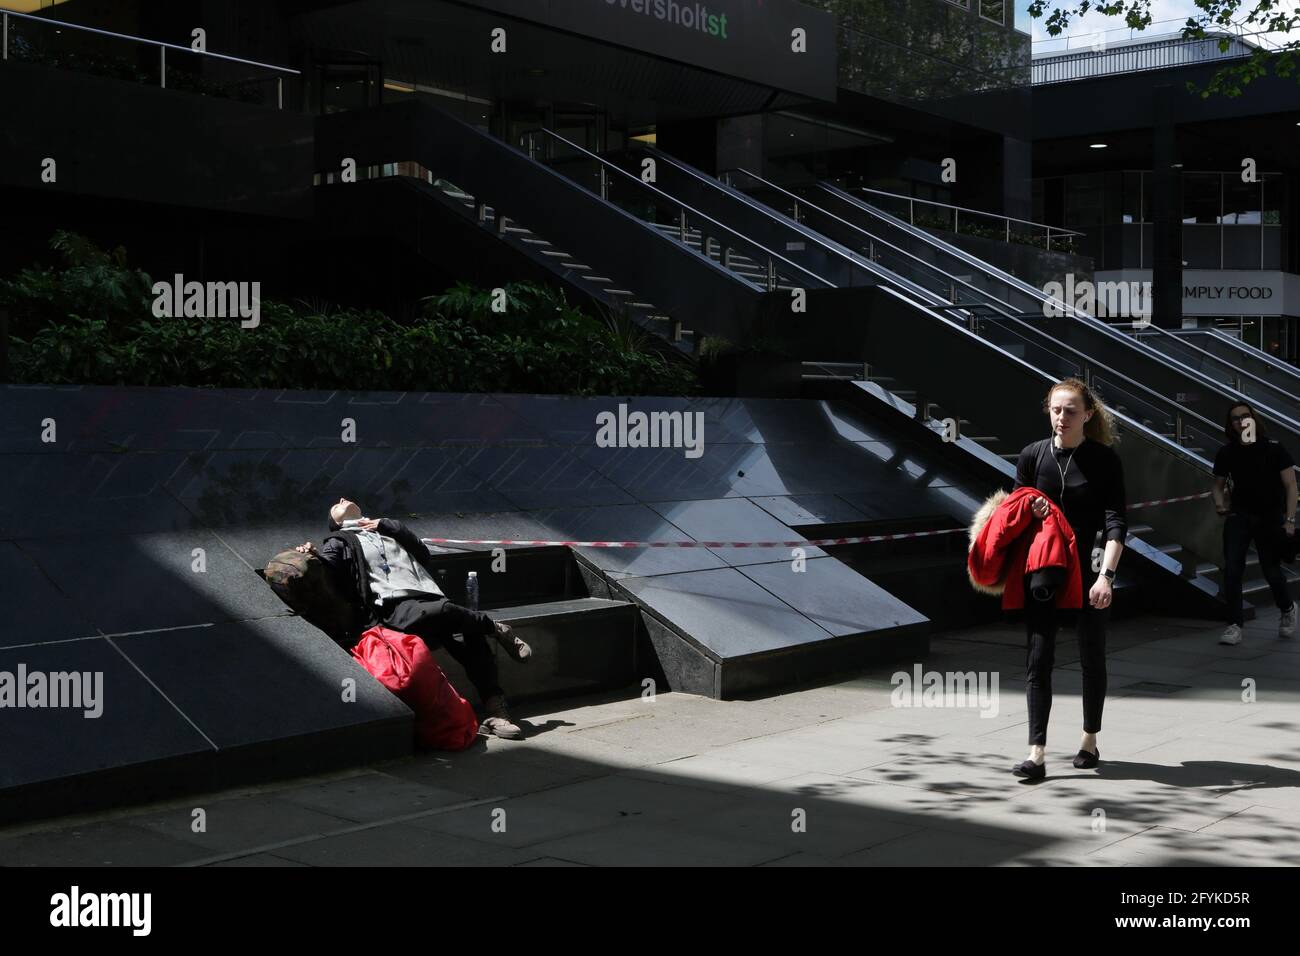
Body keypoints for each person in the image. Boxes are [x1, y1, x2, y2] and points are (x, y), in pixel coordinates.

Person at [296, 498, 533, 740]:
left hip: (426, 598)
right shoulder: (339, 541)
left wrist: (389, 525)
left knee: (468, 634)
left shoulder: (386, 530)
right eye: (336, 504)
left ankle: (496, 713)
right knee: (447, 613)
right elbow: (330, 569)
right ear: (336, 522)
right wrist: (311, 554)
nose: (342, 499)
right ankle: (495, 627)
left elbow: (423, 553)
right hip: (391, 607)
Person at [1011, 378, 1126, 780]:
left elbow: (1116, 522)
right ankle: (1036, 753)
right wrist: (1030, 513)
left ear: (1088, 415)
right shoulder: (1031, 455)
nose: (1061, 417)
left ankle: (1089, 740)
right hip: (1044, 570)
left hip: (1090, 570)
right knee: (1038, 659)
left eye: (1071, 410)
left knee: (1091, 657)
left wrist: (1106, 578)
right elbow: (1015, 511)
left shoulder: (1104, 460)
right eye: (1056, 409)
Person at [1212, 402, 1297, 646]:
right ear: (1231, 425)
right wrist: (1219, 504)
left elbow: (1291, 486)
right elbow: (1217, 486)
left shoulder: (1274, 449)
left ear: (1254, 419)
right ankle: (1234, 624)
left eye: (1245, 416)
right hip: (1239, 516)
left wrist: (1290, 520)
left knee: (1271, 570)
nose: (1241, 421)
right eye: (1236, 419)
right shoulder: (1227, 452)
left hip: (1270, 517)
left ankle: (1287, 608)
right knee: (1232, 570)